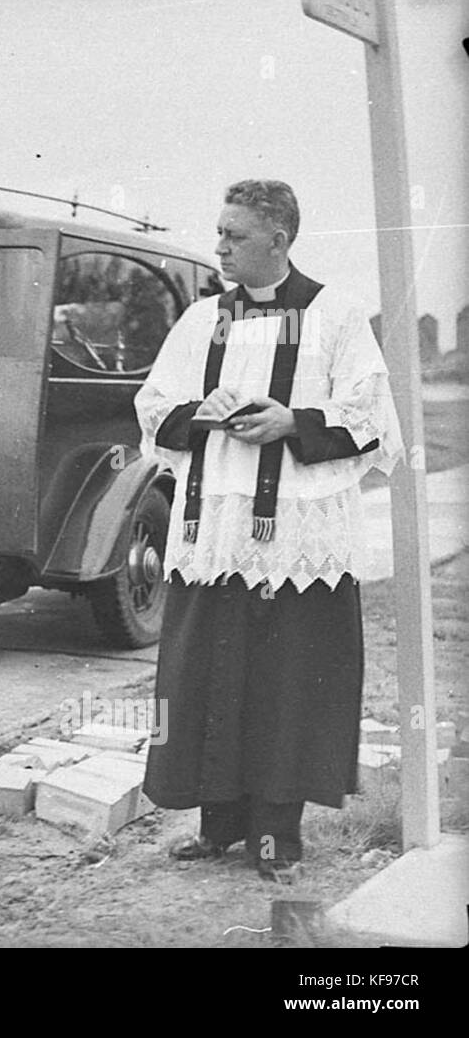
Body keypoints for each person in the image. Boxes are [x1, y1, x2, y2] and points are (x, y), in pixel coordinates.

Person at [135, 179, 402, 881]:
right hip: (216, 536)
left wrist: (293, 422)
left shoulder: (335, 315)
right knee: (209, 677)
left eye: (234, 235)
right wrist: (204, 413)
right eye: (219, 232)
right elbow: (152, 404)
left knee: (285, 684)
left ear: (278, 239)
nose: (219, 245)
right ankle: (218, 826)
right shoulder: (202, 322)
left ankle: (276, 836)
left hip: (294, 539)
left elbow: (374, 415)